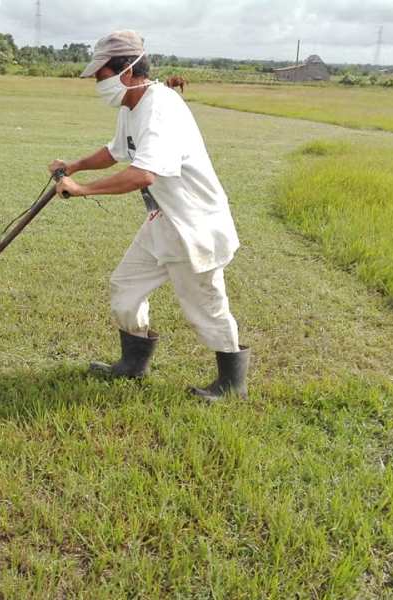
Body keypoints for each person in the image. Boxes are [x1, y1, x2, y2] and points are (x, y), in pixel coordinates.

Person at [49, 30, 250, 401]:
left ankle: (232, 384)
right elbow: (116, 152)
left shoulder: (160, 108)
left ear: (127, 70)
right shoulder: (132, 105)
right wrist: (74, 166)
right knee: (125, 288)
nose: (98, 83)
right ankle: (132, 365)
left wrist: (83, 190)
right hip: (163, 220)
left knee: (205, 306)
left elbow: (143, 174)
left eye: (101, 74)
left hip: (194, 225)